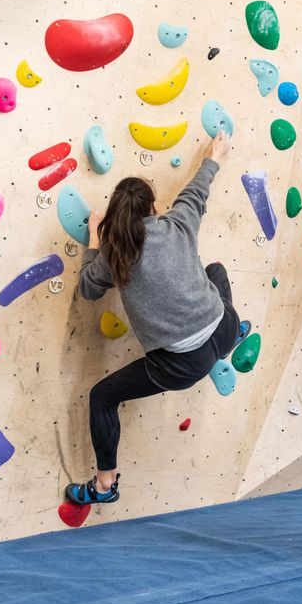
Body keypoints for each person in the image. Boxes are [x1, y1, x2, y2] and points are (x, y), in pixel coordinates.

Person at [65, 132, 246, 505]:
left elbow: (87, 288)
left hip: (183, 365)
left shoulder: (115, 254)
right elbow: (199, 187)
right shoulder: (179, 222)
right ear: (153, 209)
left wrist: (94, 244)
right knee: (215, 271)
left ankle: (103, 486)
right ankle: (235, 336)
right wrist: (215, 154)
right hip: (222, 327)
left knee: (102, 397)